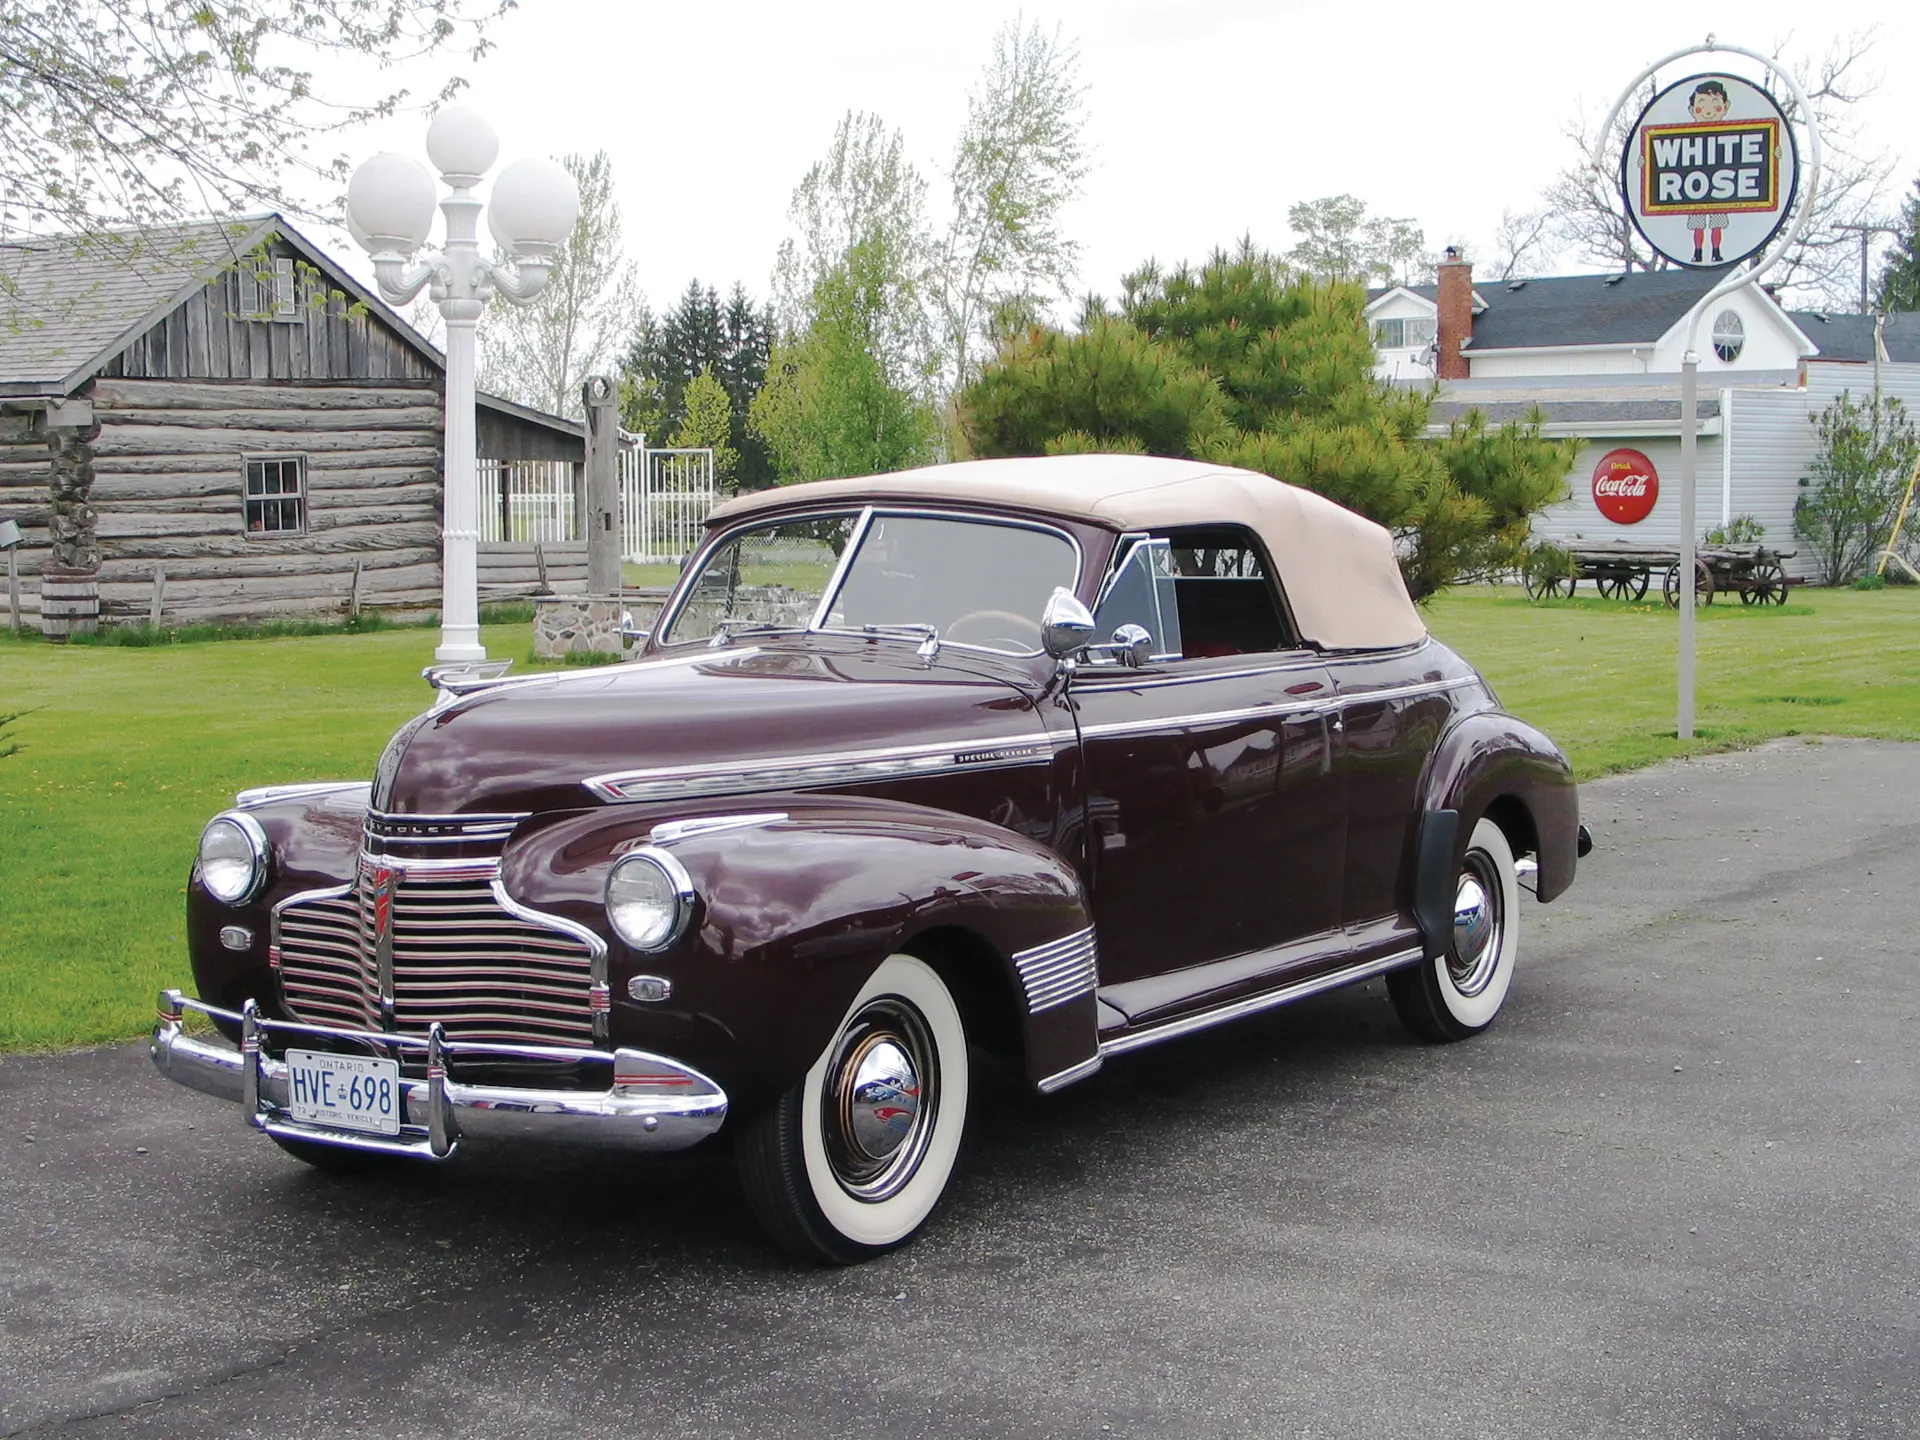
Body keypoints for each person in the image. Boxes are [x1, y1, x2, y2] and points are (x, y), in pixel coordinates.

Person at [1684, 81, 1732, 263]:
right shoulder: (1687, 136)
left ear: (1725, 107)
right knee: (1698, 225)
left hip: (1719, 191)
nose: (1708, 110)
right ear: (1692, 109)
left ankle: (1716, 251)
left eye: (1714, 103)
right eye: (1701, 104)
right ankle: (1697, 253)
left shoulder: (1729, 134)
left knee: (1717, 224)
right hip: (1696, 190)